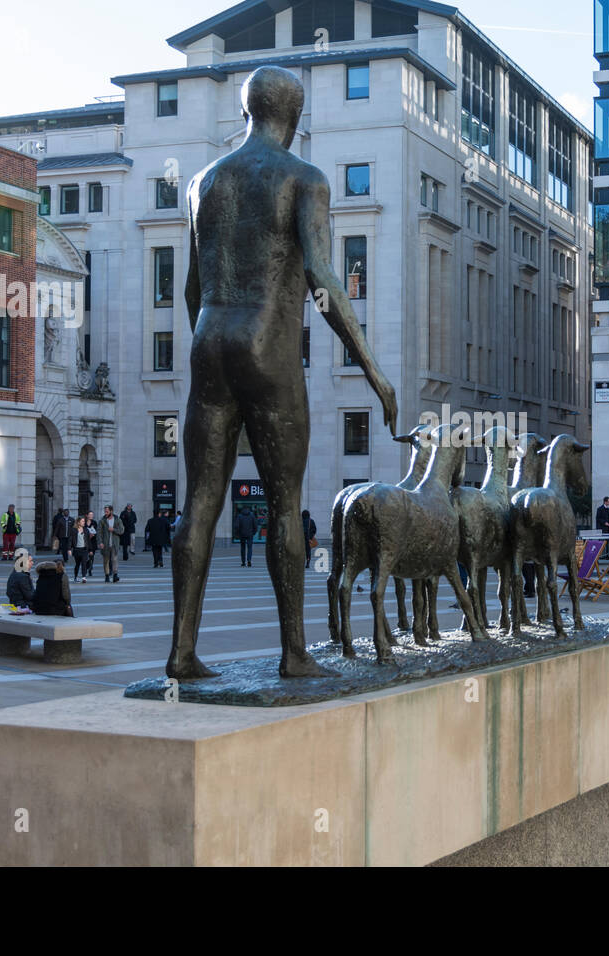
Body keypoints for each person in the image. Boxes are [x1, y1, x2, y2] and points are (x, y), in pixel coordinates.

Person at [168, 65, 398, 681]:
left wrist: (206, 354)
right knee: (284, 504)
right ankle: (294, 652)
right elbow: (322, 279)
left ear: (246, 112)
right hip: (266, 343)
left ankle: (181, 652)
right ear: (296, 117)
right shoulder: (304, 178)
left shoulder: (202, 182)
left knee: (199, 503)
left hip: (208, 339)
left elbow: (192, 287)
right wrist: (372, 369)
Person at [98, 505, 123, 583]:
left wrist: (113, 529)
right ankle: (107, 575)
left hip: (114, 544)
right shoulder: (102, 520)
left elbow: (121, 530)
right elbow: (99, 532)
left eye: (107, 511)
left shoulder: (117, 520)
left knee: (114, 560)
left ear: (111, 511)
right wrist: (100, 542)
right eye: (105, 511)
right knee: (106, 561)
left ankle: (115, 575)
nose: (105, 513)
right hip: (105, 544)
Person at [70, 516, 93, 583]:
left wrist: (90, 550)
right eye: (82, 521)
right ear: (78, 522)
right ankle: (75, 577)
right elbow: (70, 540)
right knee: (77, 564)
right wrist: (69, 549)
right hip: (77, 550)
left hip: (84, 549)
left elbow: (88, 541)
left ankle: (84, 577)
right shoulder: (73, 530)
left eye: (84, 521)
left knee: (84, 563)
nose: (84, 522)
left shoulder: (86, 530)